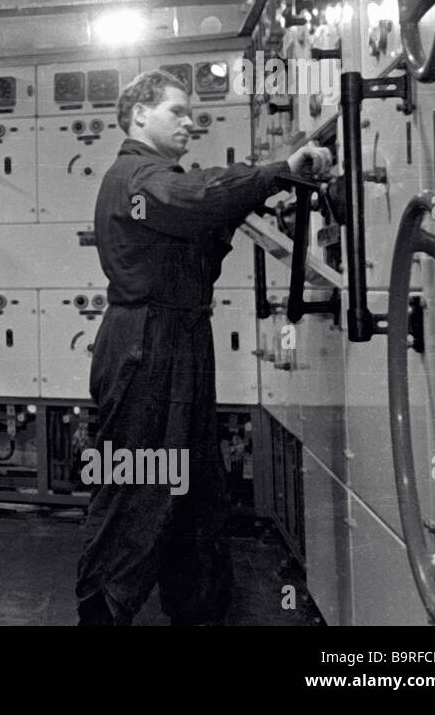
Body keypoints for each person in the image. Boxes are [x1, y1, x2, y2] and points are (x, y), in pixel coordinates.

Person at [75, 69, 332, 626]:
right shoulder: (139, 177)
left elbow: (200, 218)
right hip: (148, 342)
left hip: (179, 337)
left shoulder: (160, 181)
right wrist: (276, 172)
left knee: (194, 484)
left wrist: (260, 195)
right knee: (139, 481)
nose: (190, 121)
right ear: (139, 115)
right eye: (176, 111)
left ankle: (199, 608)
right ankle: (100, 613)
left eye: (191, 112)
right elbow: (192, 198)